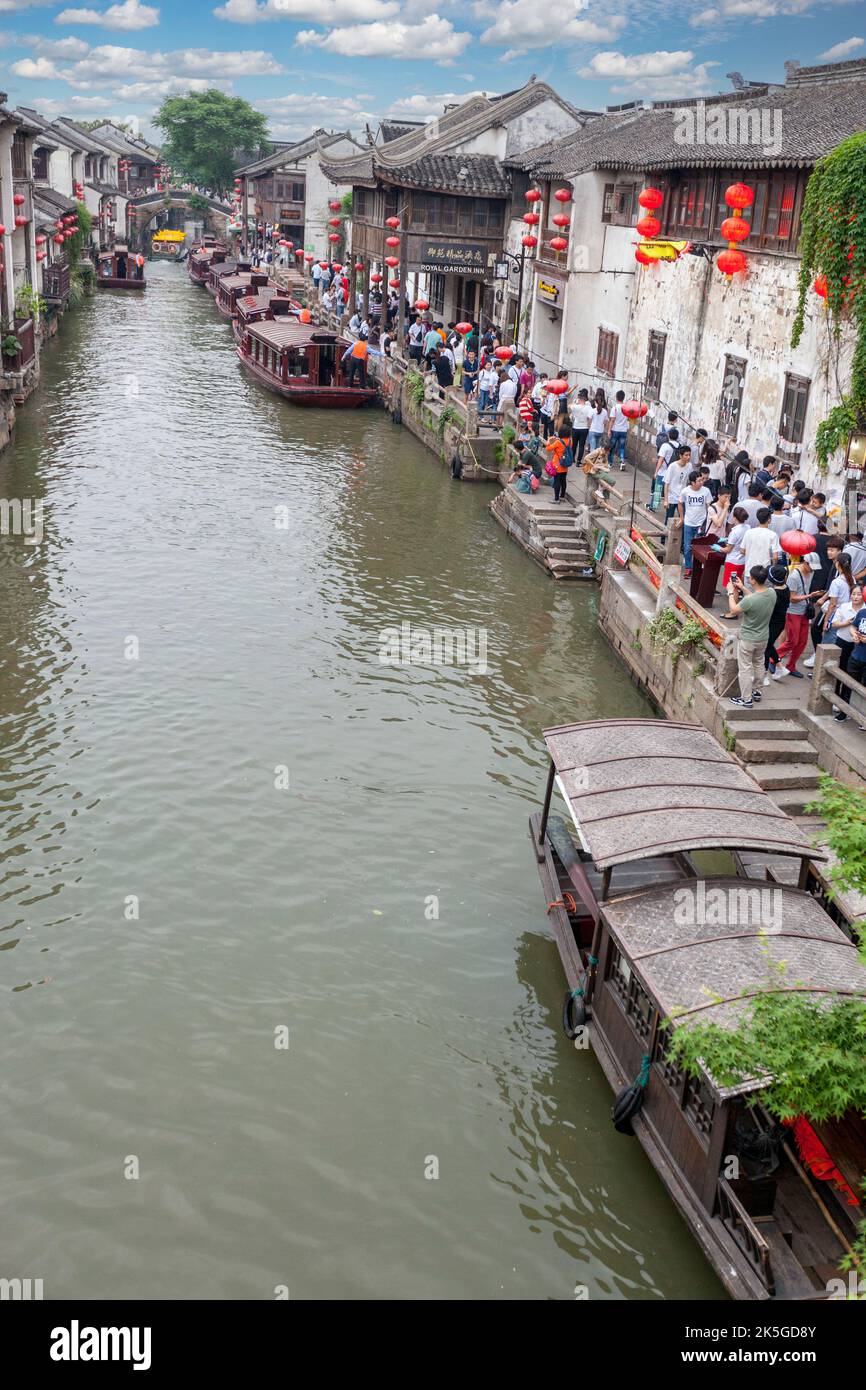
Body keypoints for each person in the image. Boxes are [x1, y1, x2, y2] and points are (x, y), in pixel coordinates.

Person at [727, 566, 776, 709]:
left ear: (753, 580)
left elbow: (733, 610)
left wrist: (731, 592)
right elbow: (755, 597)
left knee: (745, 668)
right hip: (763, 638)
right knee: (759, 663)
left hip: (748, 639)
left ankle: (746, 699)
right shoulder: (772, 593)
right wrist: (742, 587)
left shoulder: (750, 601)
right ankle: (757, 691)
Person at [772, 552, 813, 679]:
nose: (813, 570)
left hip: (804, 612)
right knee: (792, 641)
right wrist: (809, 596)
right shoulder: (794, 576)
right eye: (811, 567)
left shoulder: (811, 572)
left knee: (802, 642)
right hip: (793, 612)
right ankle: (773, 659)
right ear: (805, 563)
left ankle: (791, 666)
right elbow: (792, 598)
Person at [830, 586, 865, 719]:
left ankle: (846, 703)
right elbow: (834, 624)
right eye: (853, 594)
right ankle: (837, 697)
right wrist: (848, 623)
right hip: (843, 641)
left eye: (859, 594)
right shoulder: (844, 607)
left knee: (851, 675)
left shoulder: (864, 610)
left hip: (857, 647)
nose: (855, 597)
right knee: (840, 669)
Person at [678, 470, 713, 576]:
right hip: (689, 523)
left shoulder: (706, 491)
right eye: (699, 481)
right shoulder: (685, 491)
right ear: (692, 483)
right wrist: (682, 518)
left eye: (702, 480)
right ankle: (688, 567)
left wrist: (709, 520)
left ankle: (698, 569)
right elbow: (680, 504)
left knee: (699, 547)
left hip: (701, 524)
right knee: (688, 547)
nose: (701, 482)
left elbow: (709, 506)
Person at [763, 563, 791, 684]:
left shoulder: (773, 593)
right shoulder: (786, 588)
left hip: (772, 623)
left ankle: (763, 676)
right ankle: (780, 667)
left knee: (766, 648)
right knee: (769, 644)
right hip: (780, 623)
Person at [718, 505, 750, 606]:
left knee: (733, 586)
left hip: (733, 562)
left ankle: (734, 608)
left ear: (735, 518)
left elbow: (728, 549)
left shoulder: (735, 531)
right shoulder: (747, 527)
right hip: (742, 561)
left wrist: (718, 548)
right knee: (738, 583)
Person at [741, 508, 781, 579]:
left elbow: (742, 551)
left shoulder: (748, 532)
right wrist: (772, 567)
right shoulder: (773, 535)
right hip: (764, 572)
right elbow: (775, 557)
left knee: (748, 590)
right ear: (769, 520)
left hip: (749, 571)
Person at [546, 426, 573, 503]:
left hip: (558, 464)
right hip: (565, 465)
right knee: (563, 481)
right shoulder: (570, 441)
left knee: (557, 481)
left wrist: (548, 440)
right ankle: (562, 496)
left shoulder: (558, 442)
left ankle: (556, 499)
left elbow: (548, 449)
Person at [607, 391, 630, 471]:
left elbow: (612, 420)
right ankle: (622, 462)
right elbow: (628, 419)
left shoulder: (615, 408)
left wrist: (609, 430)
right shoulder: (626, 408)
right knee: (622, 447)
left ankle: (610, 463)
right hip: (624, 430)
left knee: (612, 447)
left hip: (615, 430)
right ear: (623, 398)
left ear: (616, 397)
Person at [570, 387, 592, 464]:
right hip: (584, 427)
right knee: (582, 445)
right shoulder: (589, 407)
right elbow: (590, 417)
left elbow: (570, 406)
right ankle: (579, 461)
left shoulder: (575, 406)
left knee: (574, 444)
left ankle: (572, 458)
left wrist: (576, 403)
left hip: (576, 426)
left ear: (580, 399)